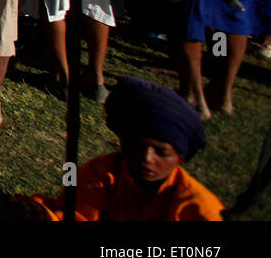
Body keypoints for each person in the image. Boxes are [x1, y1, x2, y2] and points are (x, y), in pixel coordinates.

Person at [28, 76, 221, 220]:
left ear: (181, 158)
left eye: (161, 152)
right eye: (138, 145)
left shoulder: (198, 206)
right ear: (122, 140)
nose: (146, 158)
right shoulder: (101, 174)